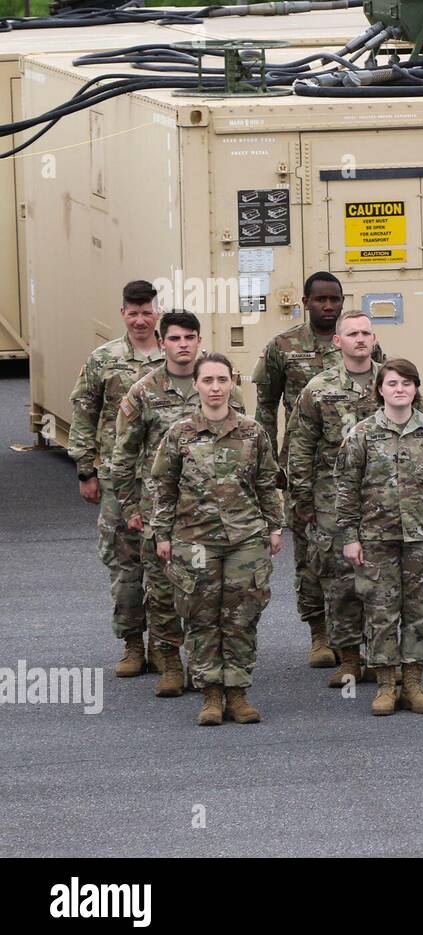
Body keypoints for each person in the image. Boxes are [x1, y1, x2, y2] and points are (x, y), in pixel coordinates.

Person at [253, 272, 384, 669]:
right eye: (321, 300)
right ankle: (320, 633)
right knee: (313, 557)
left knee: (359, 554)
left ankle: (365, 638)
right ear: (306, 302)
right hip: (305, 464)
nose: (328, 306)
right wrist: (270, 460)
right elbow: (265, 405)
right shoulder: (282, 347)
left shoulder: (363, 343)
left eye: (335, 300)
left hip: (363, 472)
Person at [111, 310, 244, 699]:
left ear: (199, 340)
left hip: (214, 511)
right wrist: (131, 507)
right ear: (162, 342)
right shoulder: (144, 390)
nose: (183, 345)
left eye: (189, 337)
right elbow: (124, 454)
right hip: (162, 510)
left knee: (207, 592)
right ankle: (170, 661)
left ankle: (212, 667)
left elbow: (244, 446)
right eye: (174, 338)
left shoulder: (220, 385)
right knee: (164, 588)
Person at [287, 310, 419, 688]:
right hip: (333, 498)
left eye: (366, 333)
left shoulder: (393, 381)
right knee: (341, 580)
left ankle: (386, 658)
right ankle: (348, 659)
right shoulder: (319, 388)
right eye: (352, 334)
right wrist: (303, 498)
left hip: (388, 497)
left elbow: (419, 433)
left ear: (374, 339)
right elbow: (301, 446)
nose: (360, 339)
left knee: (384, 581)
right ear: (337, 341)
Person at [151, 353, 283, 726]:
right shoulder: (179, 433)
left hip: (245, 537)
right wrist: (162, 534)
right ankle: (210, 694)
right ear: (196, 385)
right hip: (193, 540)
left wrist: (274, 526)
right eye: (207, 380)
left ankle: (238, 694)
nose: (215, 387)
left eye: (221, 380)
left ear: (232, 383)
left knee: (242, 615)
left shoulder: (252, 432)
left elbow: (266, 483)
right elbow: (164, 487)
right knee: (201, 615)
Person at [335, 359, 423, 716]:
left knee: (420, 612)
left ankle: (414, 683)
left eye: (407, 382)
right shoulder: (361, 433)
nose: (400, 389)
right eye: (392, 383)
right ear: (380, 389)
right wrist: (349, 536)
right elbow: (346, 488)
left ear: (416, 388)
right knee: (381, 613)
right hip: (376, 538)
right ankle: (386, 684)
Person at [67, 280, 164, 677]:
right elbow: (84, 413)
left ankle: (163, 645)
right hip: (117, 479)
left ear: (157, 312)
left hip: (164, 482)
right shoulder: (103, 359)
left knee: (164, 565)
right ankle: (131, 645)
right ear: (122, 313)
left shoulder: (175, 357)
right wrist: (85, 469)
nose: (140, 320)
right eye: (133, 312)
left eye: (147, 312)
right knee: (124, 566)